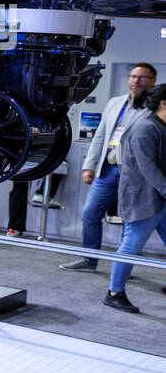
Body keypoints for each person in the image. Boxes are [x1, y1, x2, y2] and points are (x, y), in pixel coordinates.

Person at [61, 63, 158, 271]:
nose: (136, 81)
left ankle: (123, 266)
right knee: (90, 213)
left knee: (128, 220)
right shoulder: (115, 103)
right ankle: (89, 259)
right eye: (133, 76)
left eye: (142, 77)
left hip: (135, 173)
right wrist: (89, 165)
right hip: (107, 169)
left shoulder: (155, 108)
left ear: (153, 81)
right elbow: (101, 135)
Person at [104, 84, 166, 313]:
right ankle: (114, 293)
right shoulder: (145, 128)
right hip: (143, 199)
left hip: (159, 199)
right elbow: (148, 167)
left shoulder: (159, 125)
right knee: (130, 246)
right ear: (164, 103)